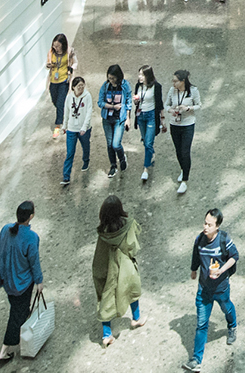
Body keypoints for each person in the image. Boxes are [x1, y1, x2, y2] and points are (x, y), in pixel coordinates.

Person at [186, 208, 239, 370]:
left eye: (209, 225)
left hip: (221, 288)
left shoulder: (224, 239)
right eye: (205, 223)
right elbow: (196, 255)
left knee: (226, 308)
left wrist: (221, 270)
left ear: (217, 226)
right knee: (201, 324)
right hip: (204, 289)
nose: (205, 227)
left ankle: (232, 326)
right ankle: (196, 360)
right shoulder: (200, 239)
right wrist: (194, 270)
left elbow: (234, 256)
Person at [0, 200, 44, 364]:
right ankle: (5, 351)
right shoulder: (31, 237)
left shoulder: (5, 229)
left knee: (19, 309)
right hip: (22, 284)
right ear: (31, 216)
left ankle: (24, 337)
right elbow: (34, 262)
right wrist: (39, 281)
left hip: (7, 281)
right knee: (17, 314)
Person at [92, 194, 143, 347]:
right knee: (132, 291)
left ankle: (107, 335)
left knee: (106, 298)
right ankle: (136, 318)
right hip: (126, 266)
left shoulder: (103, 232)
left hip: (109, 268)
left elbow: (100, 255)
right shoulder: (129, 224)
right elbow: (133, 246)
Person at [168, 69, 201, 193]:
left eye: (175, 81)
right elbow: (166, 104)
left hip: (188, 124)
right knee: (178, 151)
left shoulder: (193, 90)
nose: (173, 83)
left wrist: (187, 108)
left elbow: (199, 105)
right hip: (174, 124)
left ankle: (185, 181)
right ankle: (183, 169)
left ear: (183, 81)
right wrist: (171, 110)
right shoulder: (172, 91)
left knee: (185, 152)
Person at [98, 65, 133, 177]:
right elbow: (100, 102)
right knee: (109, 144)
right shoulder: (105, 86)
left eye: (113, 78)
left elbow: (128, 103)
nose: (111, 80)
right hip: (107, 118)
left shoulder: (125, 86)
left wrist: (128, 118)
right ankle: (113, 166)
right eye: (109, 78)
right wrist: (112, 106)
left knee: (116, 144)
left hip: (119, 119)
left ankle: (122, 158)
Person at [60, 76, 93, 185]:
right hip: (71, 129)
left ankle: (86, 160)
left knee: (85, 147)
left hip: (84, 129)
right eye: (78, 86)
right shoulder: (69, 97)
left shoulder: (87, 96)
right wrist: (64, 126)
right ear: (73, 87)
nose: (81, 88)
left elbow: (89, 113)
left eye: (82, 85)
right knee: (70, 153)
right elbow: (66, 112)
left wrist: (84, 127)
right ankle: (66, 176)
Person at [136, 66, 164, 184]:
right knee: (145, 140)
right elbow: (137, 101)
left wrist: (162, 120)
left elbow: (160, 104)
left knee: (148, 143)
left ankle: (146, 168)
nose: (140, 77)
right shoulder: (138, 86)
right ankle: (151, 153)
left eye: (142, 75)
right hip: (140, 116)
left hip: (151, 116)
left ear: (148, 75)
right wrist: (136, 101)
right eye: (139, 74)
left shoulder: (156, 87)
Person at [46, 34, 74, 137]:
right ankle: (63, 112)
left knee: (60, 102)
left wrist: (71, 73)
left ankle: (58, 125)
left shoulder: (68, 52)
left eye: (58, 46)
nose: (56, 48)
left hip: (63, 80)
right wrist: (48, 65)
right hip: (53, 80)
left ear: (63, 45)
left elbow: (73, 64)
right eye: (54, 46)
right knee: (55, 101)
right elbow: (48, 63)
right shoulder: (51, 52)